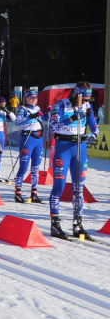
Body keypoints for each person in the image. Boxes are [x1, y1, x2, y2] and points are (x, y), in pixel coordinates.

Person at [48, 82, 100, 239]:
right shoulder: (61, 104)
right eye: (83, 98)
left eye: (88, 98)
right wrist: (71, 118)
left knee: (79, 187)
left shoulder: (87, 106)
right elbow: (53, 126)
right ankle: (55, 224)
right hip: (63, 147)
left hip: (80, 147)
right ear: (76, 94)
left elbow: (94, 124)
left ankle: (77, 224)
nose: (85, 101)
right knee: (59, 186)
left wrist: (95, 133)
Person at [13, 87, 46, 204]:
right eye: (31, 98)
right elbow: (17, 121)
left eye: (35, 98)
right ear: (26, 99)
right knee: (24, 167)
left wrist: (48, 111)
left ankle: (34, 193)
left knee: (36, 168)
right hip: (28, 139)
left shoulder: (37, 108)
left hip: (38, 139)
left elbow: (43, 118)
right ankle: (18, 192)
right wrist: (30, 117)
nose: (33, 100)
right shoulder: (23, 109)